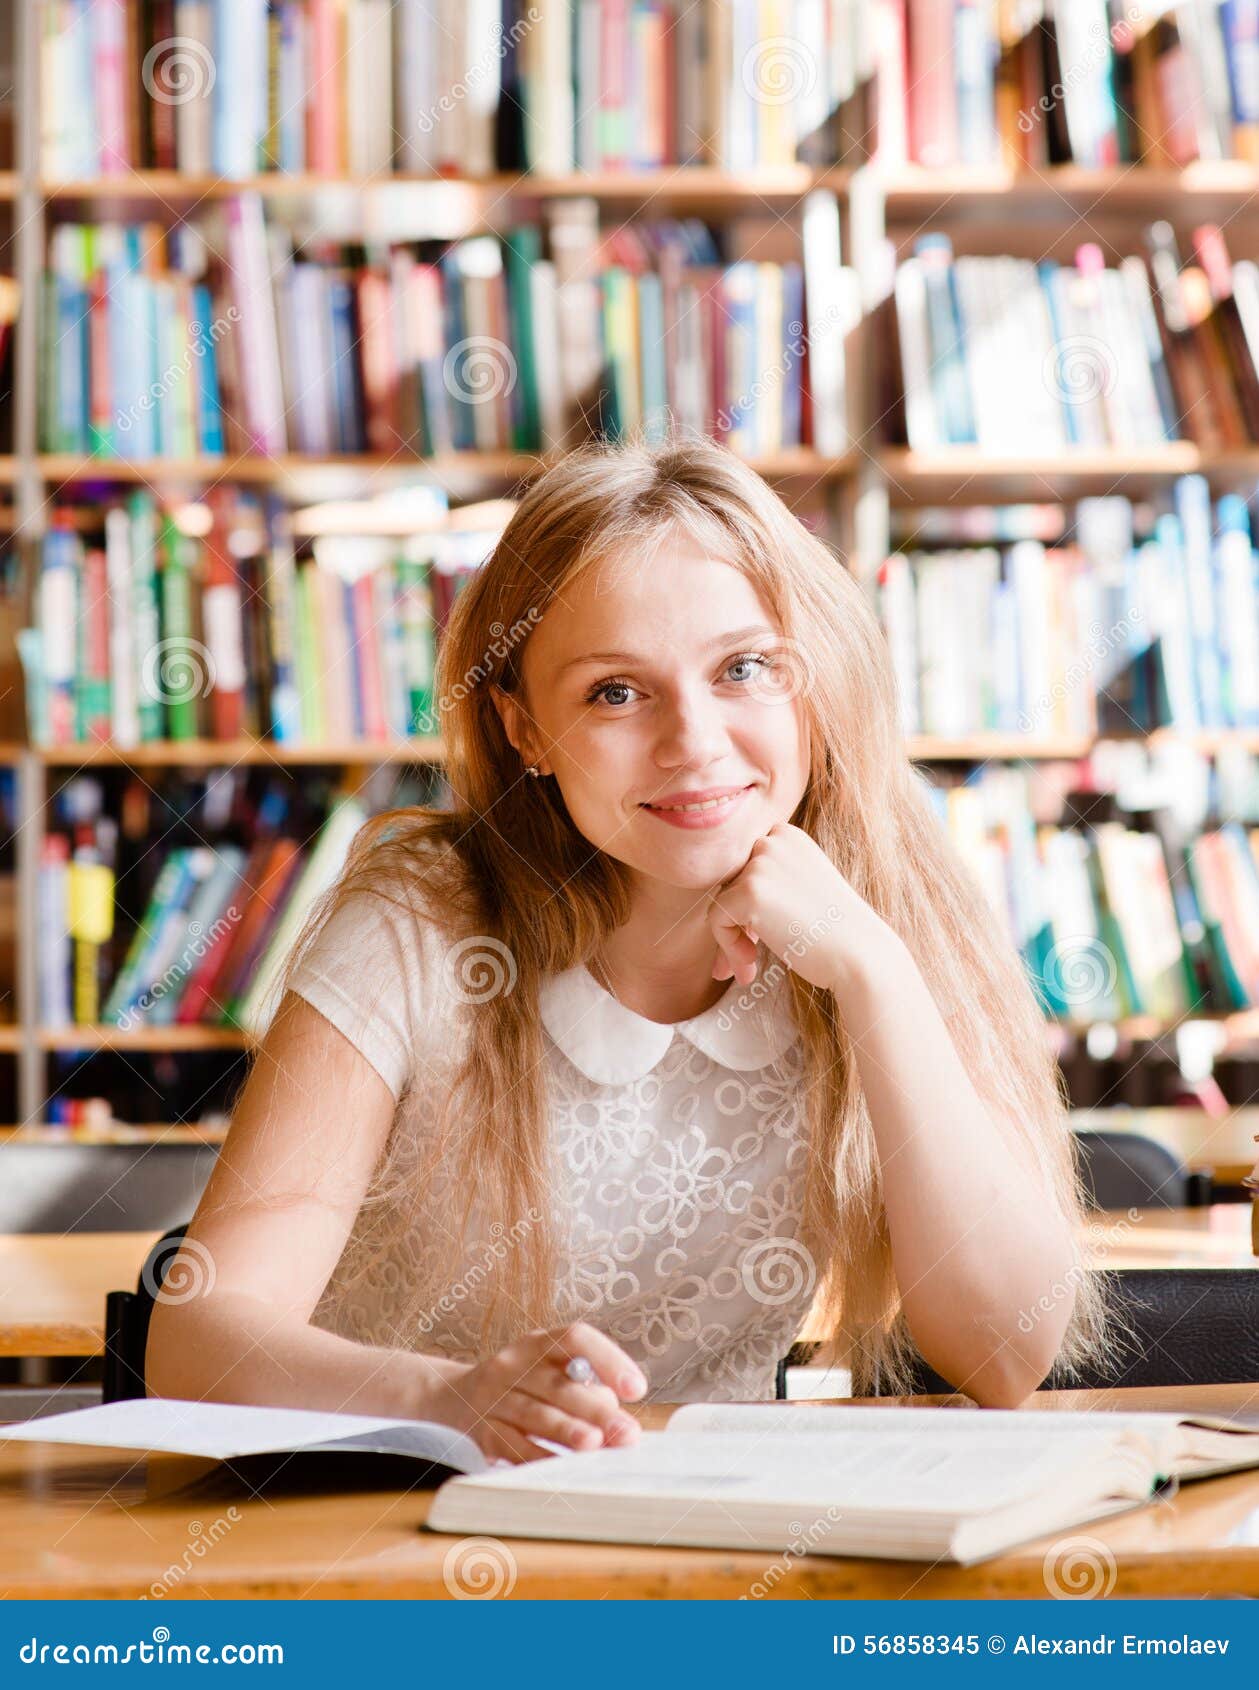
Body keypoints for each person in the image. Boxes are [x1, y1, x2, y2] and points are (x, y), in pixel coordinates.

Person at [146, 431, 1108, 1464]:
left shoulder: (890, 908)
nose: (691, 739)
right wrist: (454, 1400)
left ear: (812, 678)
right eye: (614, 691)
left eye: (743, 668)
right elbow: (194, 1341)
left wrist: (872, 976)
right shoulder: (419, 919)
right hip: (394, 1530)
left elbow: (1006, 1354)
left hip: (701, 1541)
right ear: (523, 729)